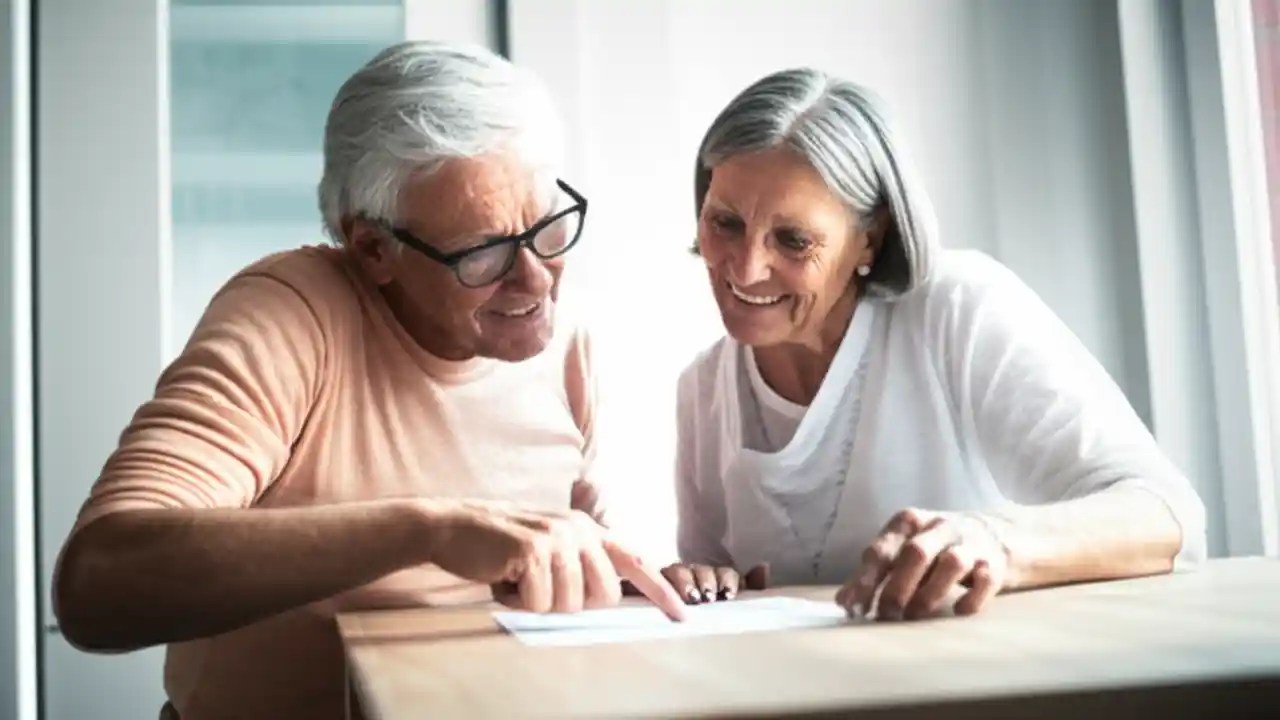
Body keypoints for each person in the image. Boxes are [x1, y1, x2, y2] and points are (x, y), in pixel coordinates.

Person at [52, 41, 684, 720]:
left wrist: (639, 579)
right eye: (486, 252)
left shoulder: (564, 342)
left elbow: (584, 557)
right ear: (373, 249)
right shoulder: (293, 316)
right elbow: (98, 587)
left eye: (545, 227)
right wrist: (427, 529)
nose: (536, 280)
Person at [662, 68, 1206, 621]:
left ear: (869, 239)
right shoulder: (703, 391)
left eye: (794, 240)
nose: (748, 269)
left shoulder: (955, 309)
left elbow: (1166, 513)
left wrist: (995, 541)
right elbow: (717, 592)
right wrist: (703, 582)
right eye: (725, 223)